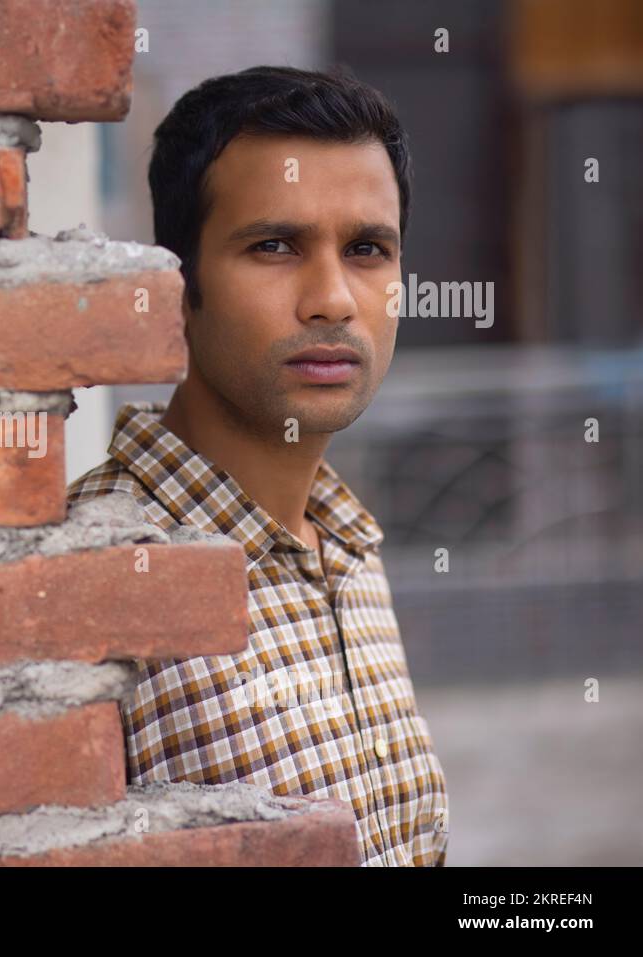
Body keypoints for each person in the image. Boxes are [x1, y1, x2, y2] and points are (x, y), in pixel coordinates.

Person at [68, 65, 448, 866]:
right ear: (179, 285)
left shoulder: (347, 547)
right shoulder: (92, 580)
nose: (334, 299)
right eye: (275, 245)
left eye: (368, 248)